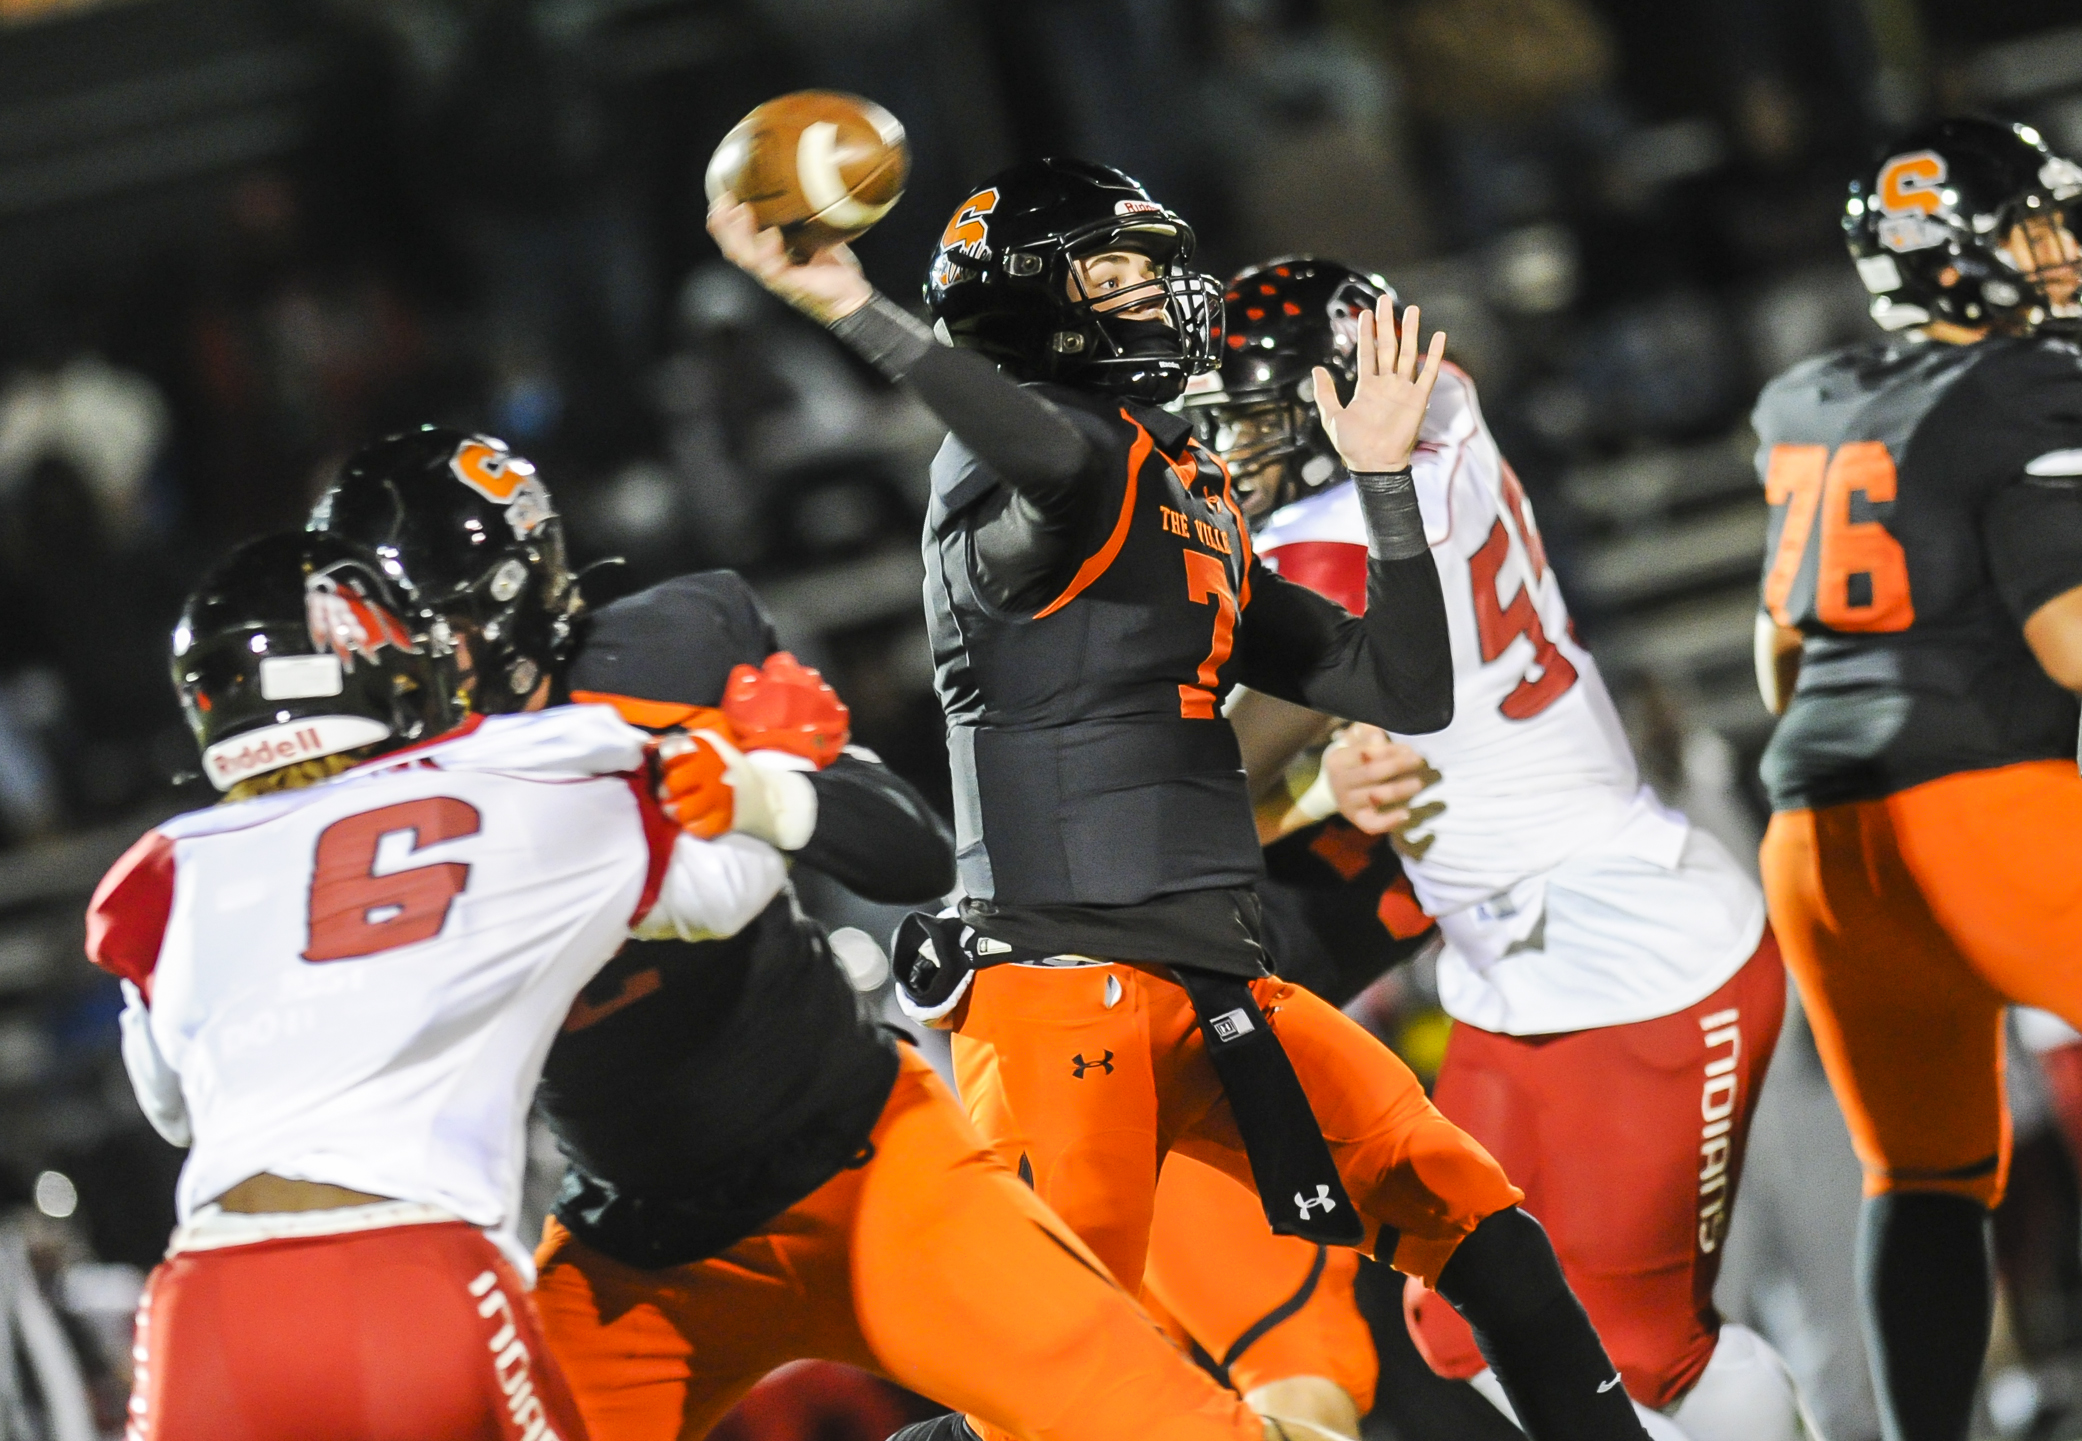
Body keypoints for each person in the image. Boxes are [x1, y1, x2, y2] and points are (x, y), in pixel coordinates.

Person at [714, 155, 1651, 1441]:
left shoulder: (1180, 488)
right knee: (1051, 1394)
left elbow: (1403, 681)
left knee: (1488, 1235)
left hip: (1220, 983)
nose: (1158, 294)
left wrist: (1382, 483)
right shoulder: (1023, 478)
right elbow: (1050, 452)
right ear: (1028, 307)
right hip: (1062, 989)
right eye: (1115, 271)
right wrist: (855, 310)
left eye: (1154, 266)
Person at [309, 428, 1292, 1441]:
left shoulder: (662, 656)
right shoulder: (365, 796)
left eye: (409, 632)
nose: (380, 668)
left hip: (868, 1166)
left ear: (506, 600)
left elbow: (913, 854)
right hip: (640, 1249)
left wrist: (768, 793)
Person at [1188, 255, 1811, 1440]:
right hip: (1518, 959)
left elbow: (1198, 779)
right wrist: (1332, 762)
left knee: (1638, 1358)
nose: (1236, 450)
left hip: (1636, 961)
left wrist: (1304, 776)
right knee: (1466, 1323)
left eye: (1259, 417)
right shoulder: (1448, 408)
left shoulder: (1326, 545)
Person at [86, 532, 792, 1441]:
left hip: (208, 1302)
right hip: (408, 1270)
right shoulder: (521, 781)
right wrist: (770, 778)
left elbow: (172, 1110)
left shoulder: (168, 869)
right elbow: (727, 888)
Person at [1749, 117, 2082, 1441]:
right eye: (2027, 230)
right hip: (1979, 810)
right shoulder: (2027, 387)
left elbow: (1780, 656)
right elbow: (2066, 634)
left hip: (1816, 845)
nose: (2056, 251)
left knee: (1925, 1175)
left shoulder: (1810, 396)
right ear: (1943, 261)